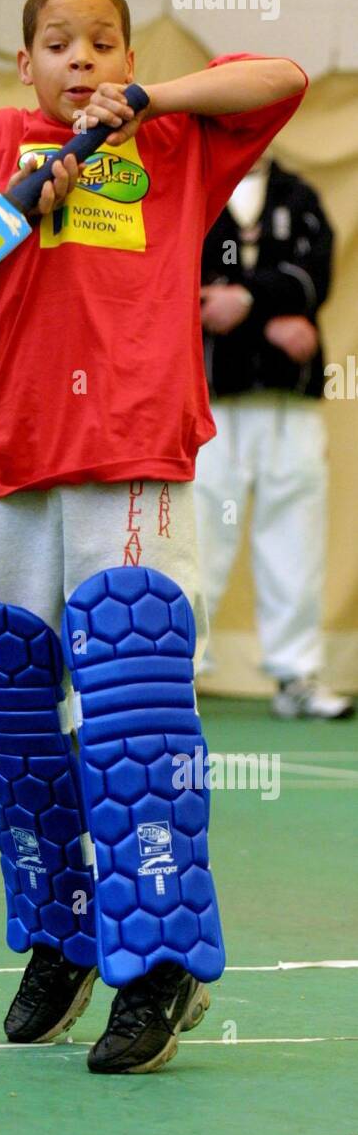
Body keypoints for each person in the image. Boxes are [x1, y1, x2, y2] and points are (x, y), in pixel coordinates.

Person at [0, 0, 306, 1074]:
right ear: (22, 62)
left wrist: (152, 103)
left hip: (129, 447)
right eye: (56, 42)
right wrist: (10, 212)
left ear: (128, 59)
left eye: (101, 42)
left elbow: (282, 77)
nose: (79, 58)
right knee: (7, 707)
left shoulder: (175, 144)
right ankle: (64, 931)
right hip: (12, 455)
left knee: (131, 703)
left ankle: (159, 962)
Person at [195, 152, 353, 719]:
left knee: (296, 540)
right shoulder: (197, 187)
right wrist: (272, 312)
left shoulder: (298, 196)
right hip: (207, 404)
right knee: (196, 541)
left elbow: (315, 278)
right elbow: (181, 284)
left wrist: (246, 300)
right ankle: (177, 674)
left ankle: (296, 674)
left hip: (289, 405)